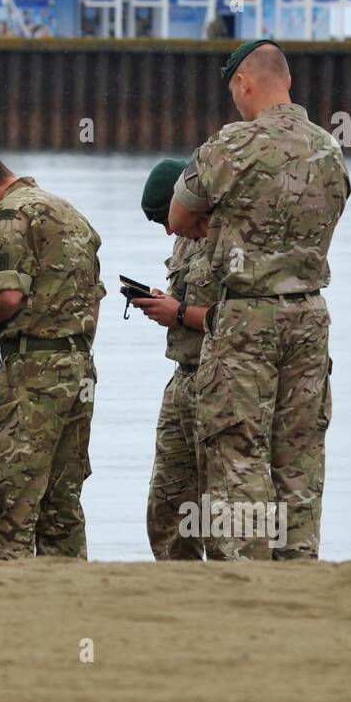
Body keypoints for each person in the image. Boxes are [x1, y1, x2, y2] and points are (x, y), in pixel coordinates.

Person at [169, 39, 350, 560]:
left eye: (235, 94)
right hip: (311, 316)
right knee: (299, 454)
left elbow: (179, 219)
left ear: (243, 84)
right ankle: (299, 565)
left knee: (237, 450)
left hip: (246, 317)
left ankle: (247, 571)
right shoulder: (329, 149)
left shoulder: (231, 146)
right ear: (286, 81)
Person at [0, 142, 105, 561]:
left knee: (14, 499)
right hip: (79, 368)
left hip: (32, 377)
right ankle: (70, 602)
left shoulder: (8, 217)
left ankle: (11, 606)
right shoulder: (67, 212)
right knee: (63, 505)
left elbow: (7, 297)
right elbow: (91, 302)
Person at [131, 158, 217, 561]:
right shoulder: (184, 238)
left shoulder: (227, 237)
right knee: (166, 506)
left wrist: (180, 313)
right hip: (182, 379)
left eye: (166, 218)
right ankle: (178, 591)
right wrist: (167, 305)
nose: (167, 230)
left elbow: (243, 319)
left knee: (220, 505)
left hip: (220, 380)